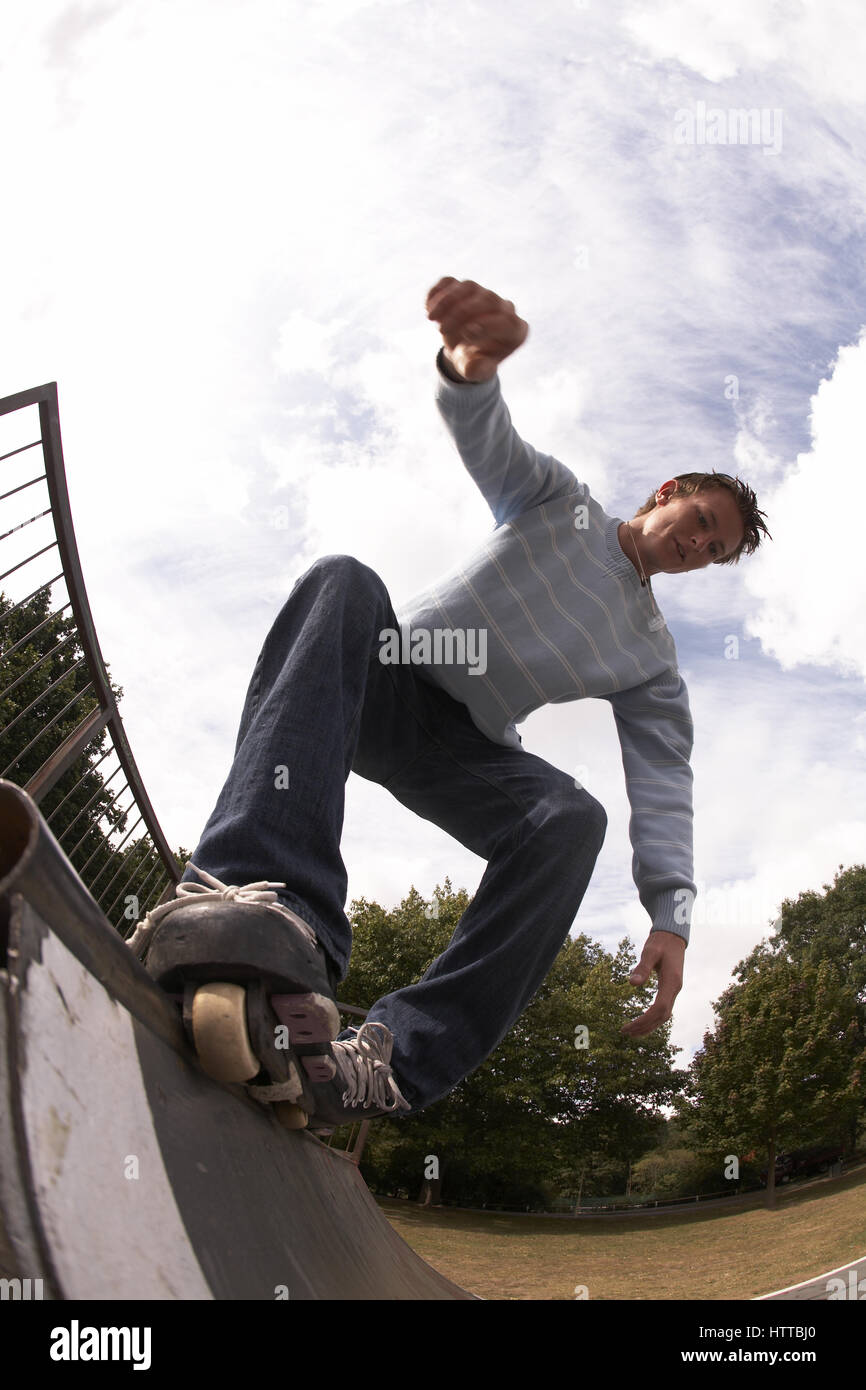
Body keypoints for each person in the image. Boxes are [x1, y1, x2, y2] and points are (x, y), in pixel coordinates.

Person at [129, 276, 771, 1128]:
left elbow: (664, 783)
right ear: (666, 493)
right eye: (698, 519)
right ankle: (255, 898)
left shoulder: (651, 658)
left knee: (569, 819)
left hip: (461, 750)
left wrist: (673, 917)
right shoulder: (562, 504)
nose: (694, 545)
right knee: (345, 583)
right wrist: (469, 369)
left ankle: (394, 1059)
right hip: (386, 675)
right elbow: (491, 439)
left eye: (712, 549)